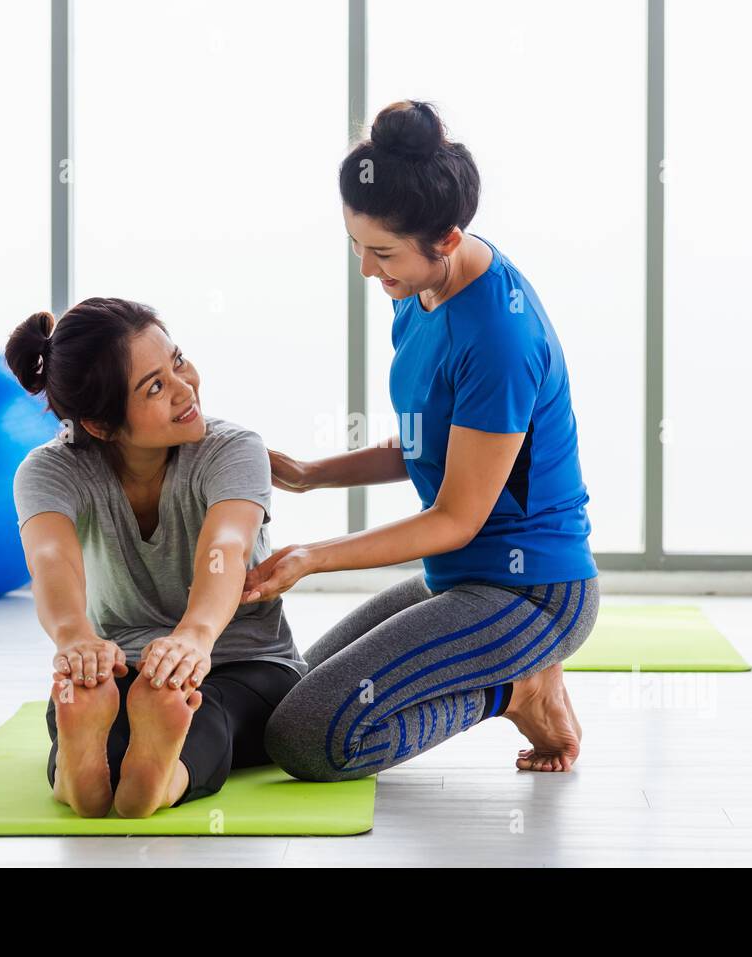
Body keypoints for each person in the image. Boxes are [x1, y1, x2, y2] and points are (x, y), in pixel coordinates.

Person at [243, 100, 602, 781]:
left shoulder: (498, 334)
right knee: (273, 700)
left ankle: (519, 688)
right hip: (460, 580)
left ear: (445, 239)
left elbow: (457, 516)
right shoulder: (417, 292)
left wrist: (312, 557)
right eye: (356, 245)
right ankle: (509, 677)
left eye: (381, 253)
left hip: (533, 593)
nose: (366, 270)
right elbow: (430, 443)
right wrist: (309, 473)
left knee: (308, 739)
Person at [5, 297, 306, 818]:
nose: (185, 388)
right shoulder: (48, 470)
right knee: (82, 699)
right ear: (99, 425)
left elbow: (226, 548)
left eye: (178, 361)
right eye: (155, 387)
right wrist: (75, 637)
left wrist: (194, 636)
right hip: (121, 665)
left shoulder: (233, 449)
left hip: (247, 662)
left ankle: (143, 780)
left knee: (203, 711)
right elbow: (51, 560)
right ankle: (97, 774)